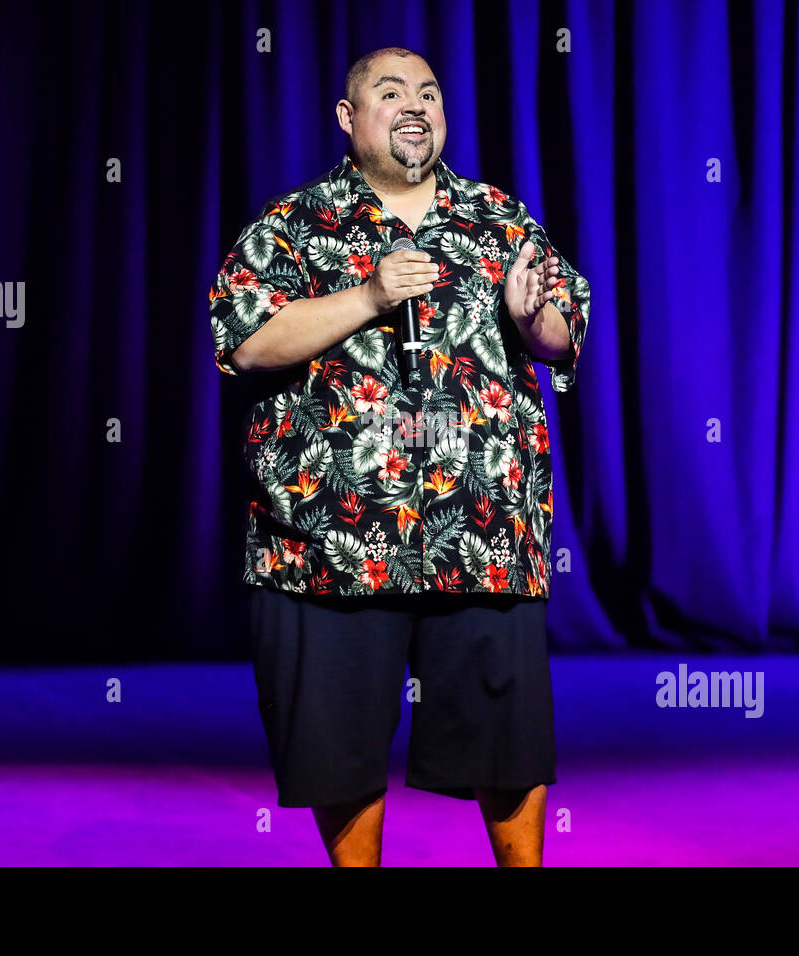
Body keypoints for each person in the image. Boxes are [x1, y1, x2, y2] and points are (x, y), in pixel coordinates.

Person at [208, 46, 590, 866]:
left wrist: (534, 320)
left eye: (428, 93)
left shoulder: (499, 219)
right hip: (330, 543)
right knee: (336, 750)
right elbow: (245, 341)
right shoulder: (293, 225)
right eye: (391, 93)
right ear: (348, 118)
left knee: (507, 744)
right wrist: (369, 296)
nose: (415, 105)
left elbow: (565, 335)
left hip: (482, 533)